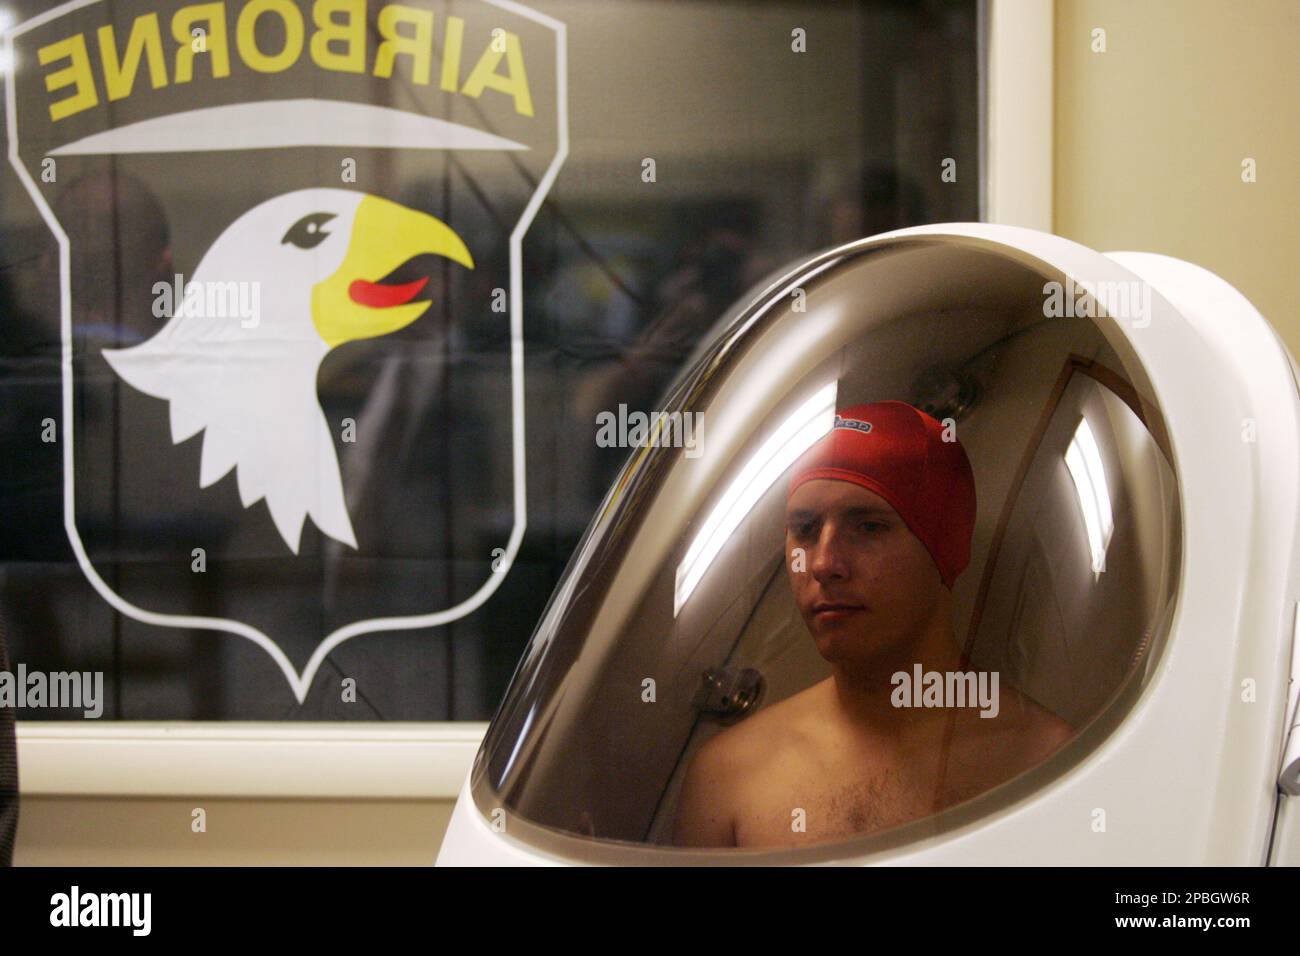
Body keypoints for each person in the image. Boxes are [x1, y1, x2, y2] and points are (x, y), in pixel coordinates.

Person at [673, 401, 1073, 849]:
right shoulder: (729, 774)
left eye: (868, 526)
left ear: (944, 547)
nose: (823, 563)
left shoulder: (1053, 764)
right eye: (804, 529)